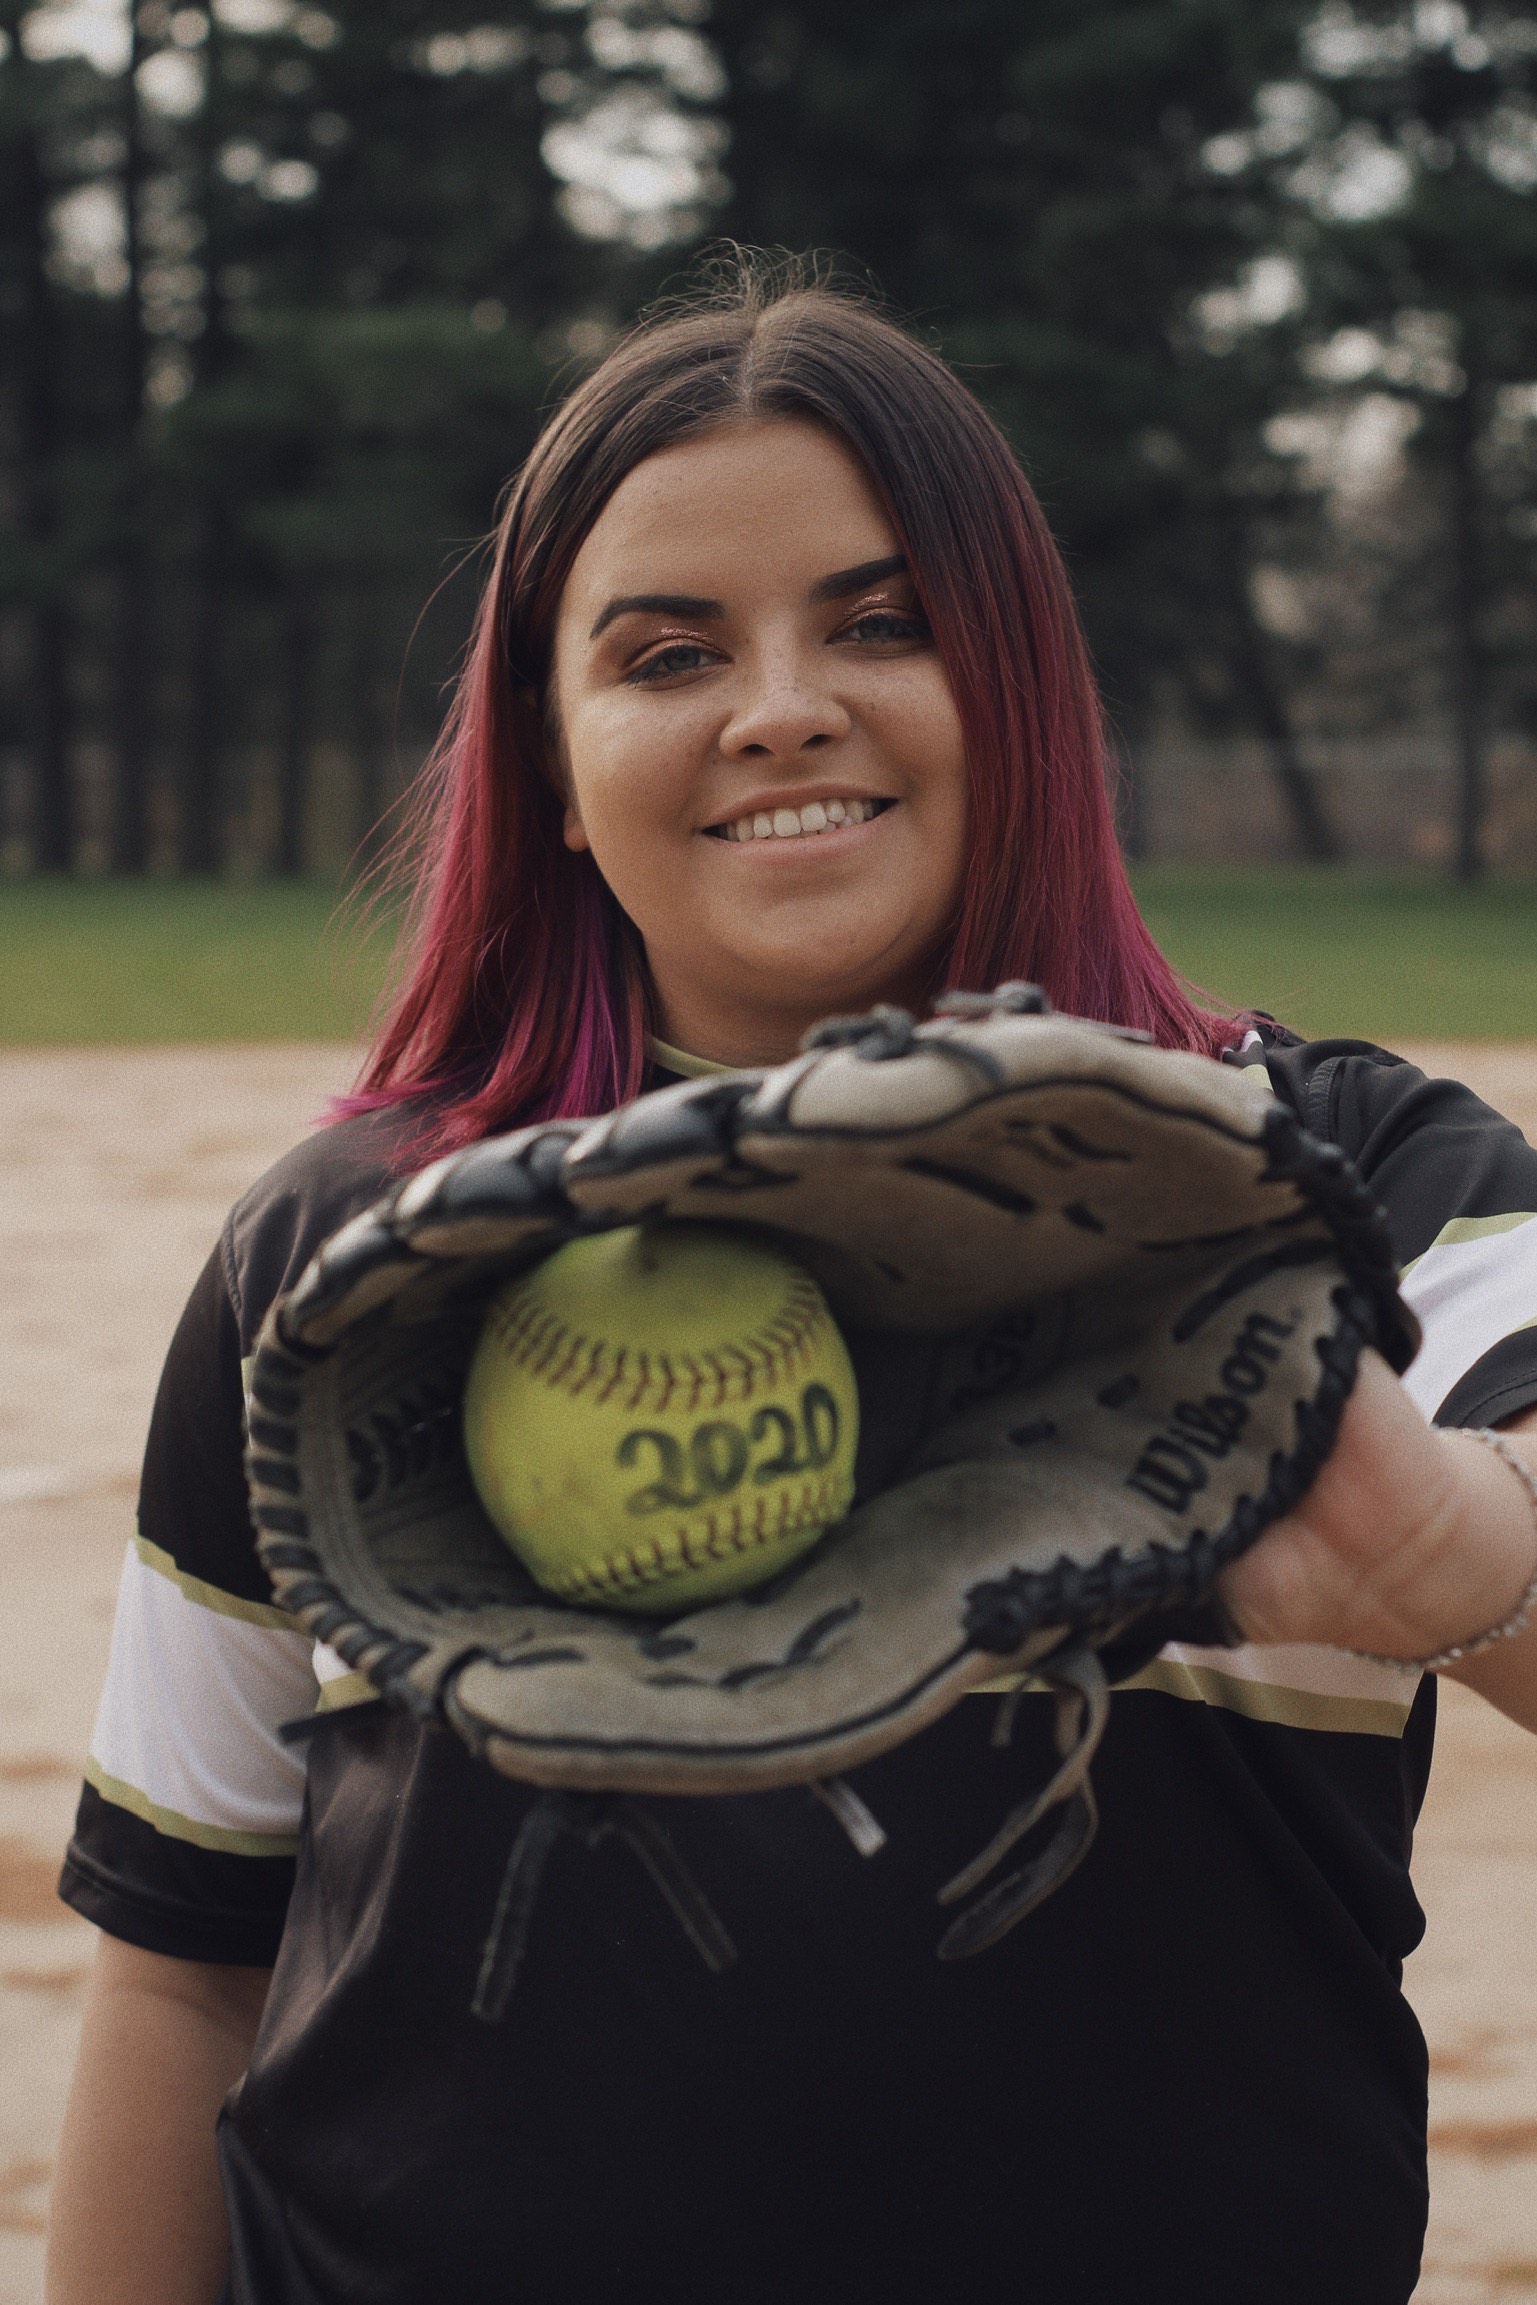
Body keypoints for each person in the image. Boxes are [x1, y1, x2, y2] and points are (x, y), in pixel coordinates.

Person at [47, 264, 1537, 2305]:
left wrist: (1454, 1563)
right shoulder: (352, 1249)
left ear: (1018, 679)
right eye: (667, 654)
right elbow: (178, 1962)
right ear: (556, 766)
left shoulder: (1330, 1171)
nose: (781, 706)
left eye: (883, 619)